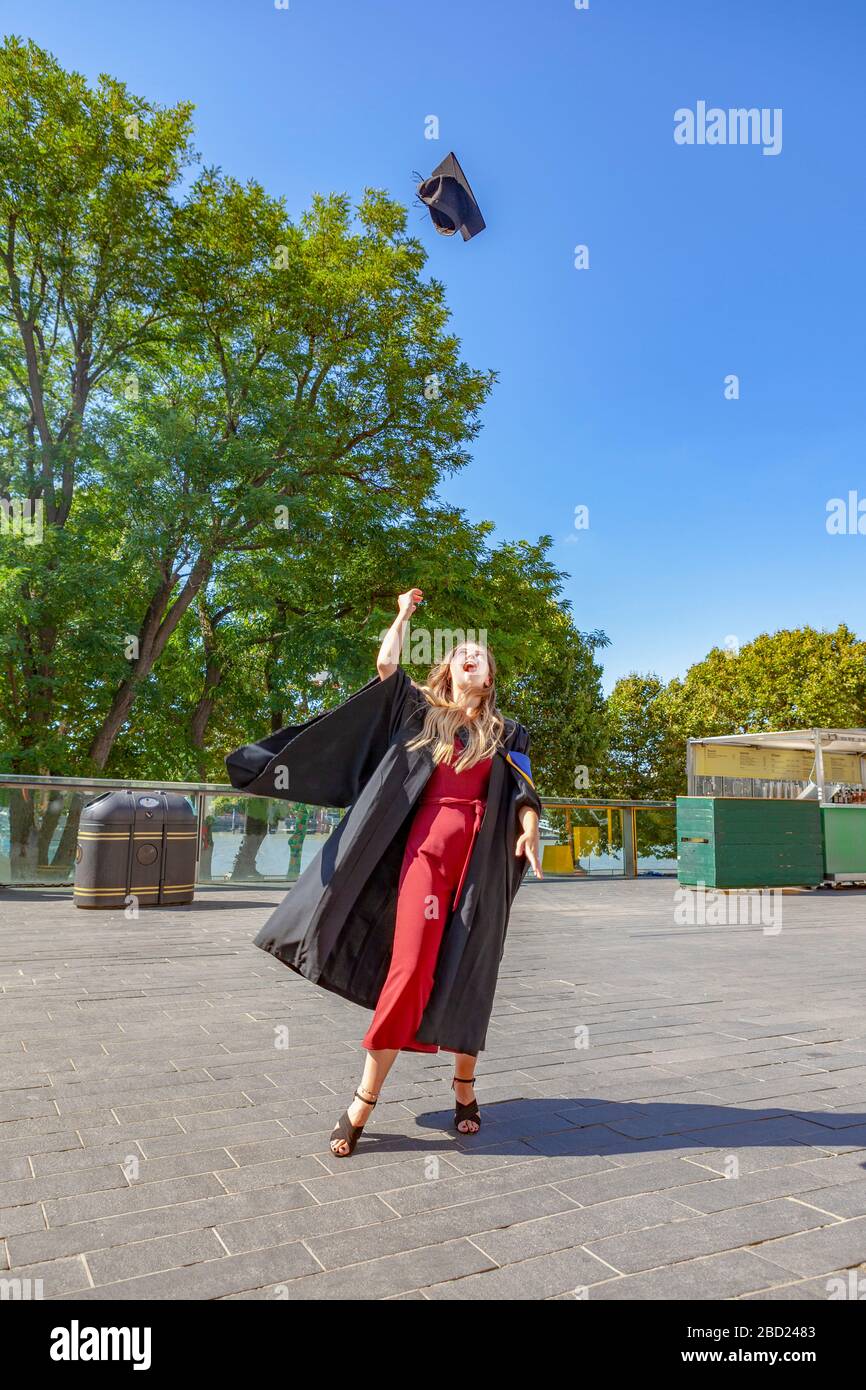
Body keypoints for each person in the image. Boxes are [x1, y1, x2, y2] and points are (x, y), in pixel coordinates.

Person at [224, 588, 543, 1159]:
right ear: (448, 669)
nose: (471, 655)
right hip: (424, 858)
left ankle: (465, 1090)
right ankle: (362, 1102)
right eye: (461, 652)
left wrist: (528, 826)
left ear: (490, 677)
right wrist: (402, 615)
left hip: (480, 867)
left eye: (481, 653)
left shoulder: (509, 733)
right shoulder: (421, 713)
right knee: (411, 967)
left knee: (471, 967)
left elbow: (524, 789)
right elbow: (387, 665)